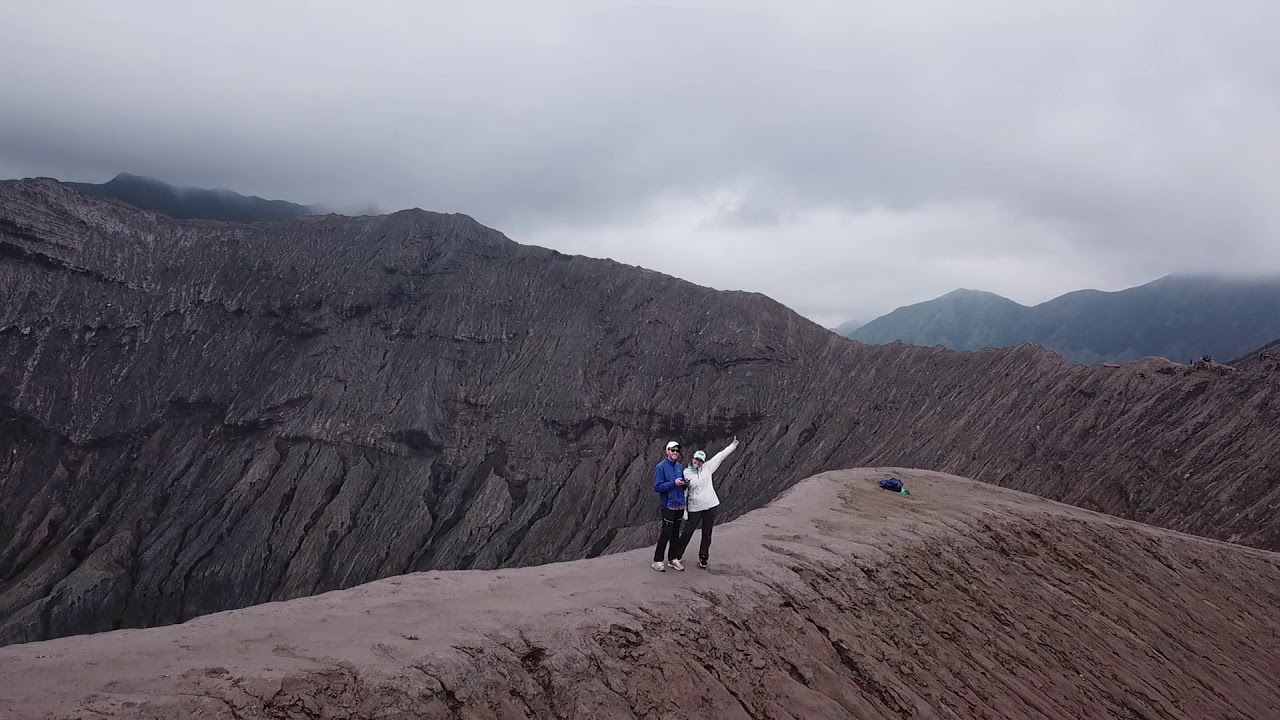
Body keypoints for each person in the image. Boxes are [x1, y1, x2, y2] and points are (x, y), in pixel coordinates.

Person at [672, 436, 740, 569]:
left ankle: (703, 558)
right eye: (696, 459)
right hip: (695, 508)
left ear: (703, 462)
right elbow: (684, 493)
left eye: (700, 460)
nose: (698, 462)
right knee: (687, 532)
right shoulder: (685, 473)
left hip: (710, 505)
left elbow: (720, 456)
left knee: (707, 533)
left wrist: (733, 446)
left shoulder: (707, 468)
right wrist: (685, 511)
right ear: (693, 459)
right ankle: (676, 556)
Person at [652, 440, 689, 571]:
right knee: (666, 532)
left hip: (679, 504)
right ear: (667, 451)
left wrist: (684, 484)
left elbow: (679, 485)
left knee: (675, 533)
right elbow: (657, 487)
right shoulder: (660, 467)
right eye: (673, 450)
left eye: (677, 451)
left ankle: (673, 559)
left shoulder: (679, 467)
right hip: (668, 505)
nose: (675, 453)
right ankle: (657, 560)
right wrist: (673, 483)